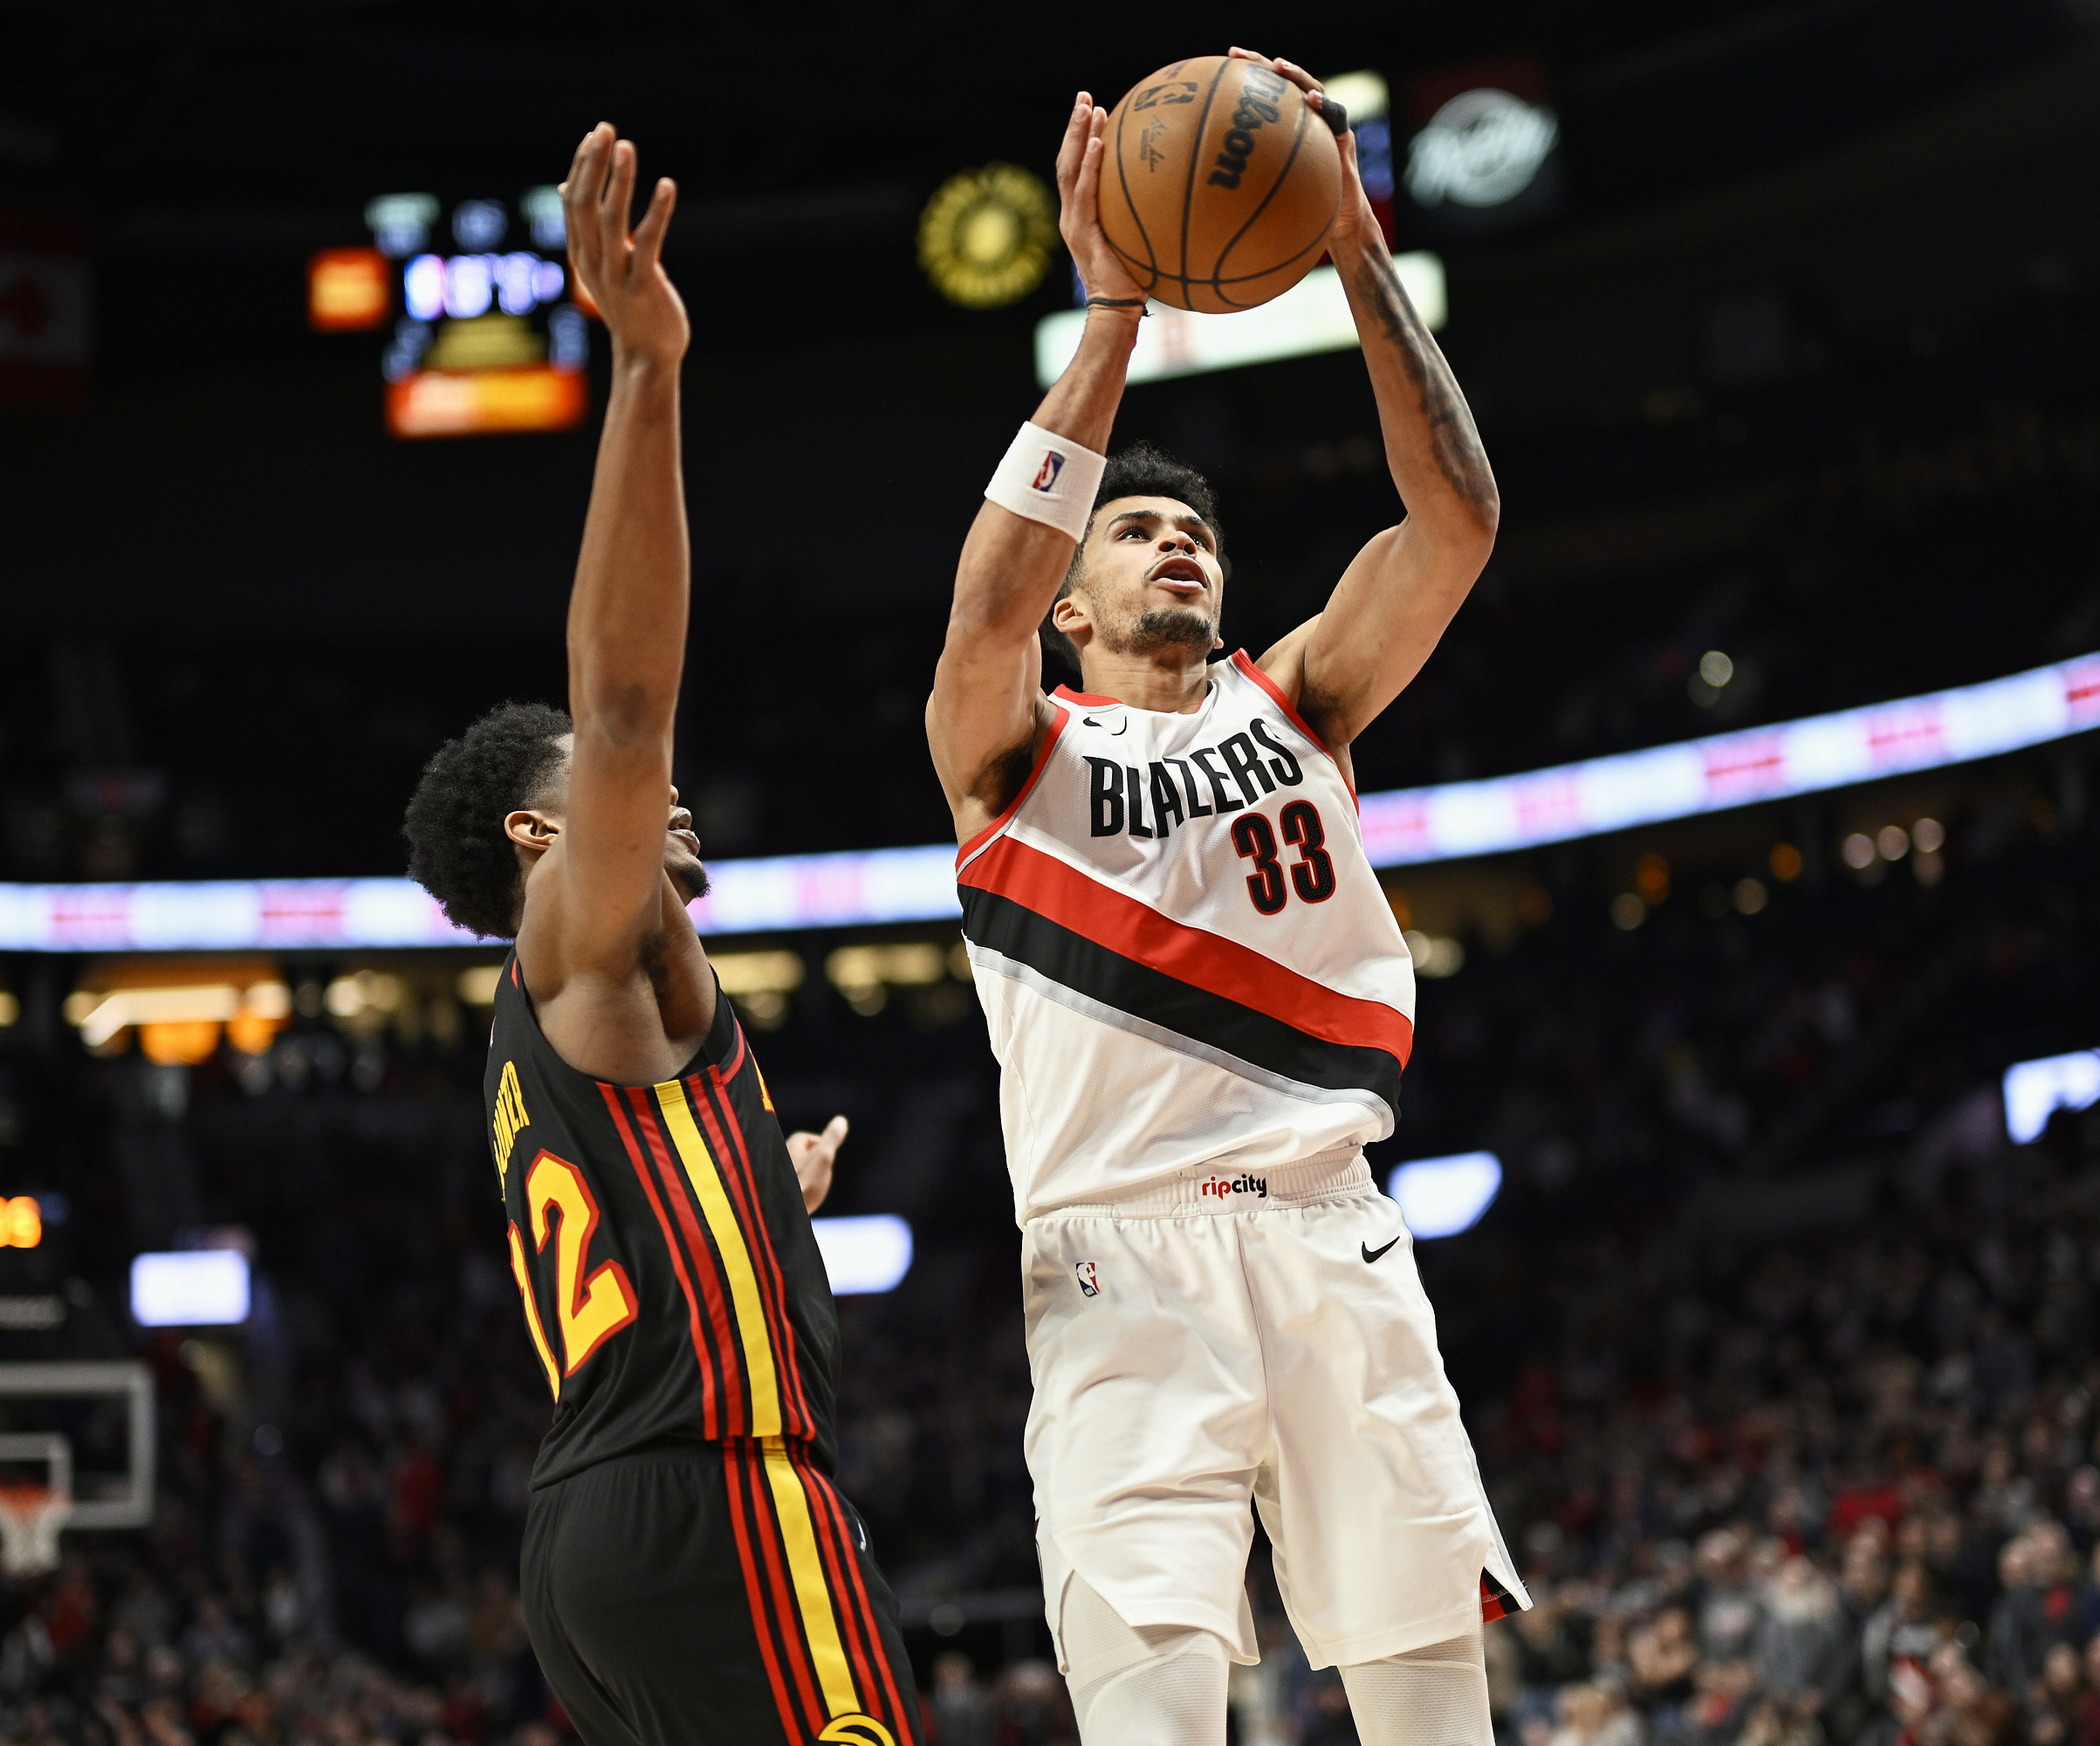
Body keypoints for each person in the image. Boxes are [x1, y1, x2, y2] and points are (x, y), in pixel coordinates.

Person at [923, 49, 1523, 1746]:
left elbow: (1459, 520)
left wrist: (1349, 245)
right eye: (1131, 534)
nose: (1176, 541)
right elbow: (977, 609)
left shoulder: (1303, 701)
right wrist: (1108, 312)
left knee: (1434, 1724)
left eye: (1193, 531)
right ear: (1072, 602)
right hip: (1121, 1262)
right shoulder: (1011, 751)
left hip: (1338, 1231)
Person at [401, 123, 915, 1746]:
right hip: (720, 1501)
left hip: (601, 1541)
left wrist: (774, 1190)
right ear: (538, 835)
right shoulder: (576, 916)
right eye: (612, 795)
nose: (664, 799)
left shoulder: (567, 1023)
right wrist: (645, 370)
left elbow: (637, 1203)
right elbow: (623, 702)